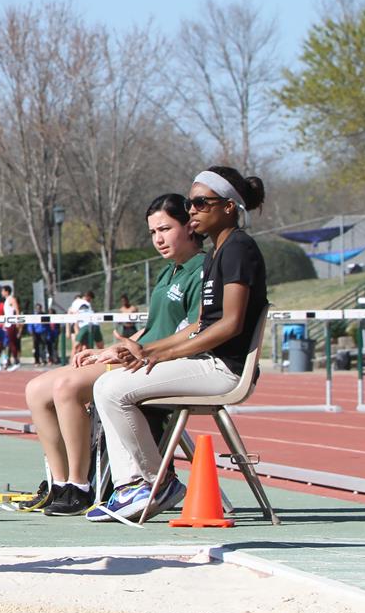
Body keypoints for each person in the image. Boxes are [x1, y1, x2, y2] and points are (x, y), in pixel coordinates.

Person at [90, 167, 269, 522]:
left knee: (111, 388)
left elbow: (230, 325)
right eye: (190, 203)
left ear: (230, 207)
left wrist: (164, 354)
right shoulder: (220, 251)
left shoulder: (238, 249)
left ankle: (154, 482)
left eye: (201, 203)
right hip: (206, 362)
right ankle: (135, 486)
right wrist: (149, 351)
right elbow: (202, 324)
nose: (192, 210)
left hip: (224, 369)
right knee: (109, 383)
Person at [20, 195, 204, 516]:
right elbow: (151, 328)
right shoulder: (168, 272)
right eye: (152, 233)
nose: (158, 239)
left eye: (165, 229)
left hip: (159, 362)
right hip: (140, 354)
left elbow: (191, 331)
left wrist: (135, 352)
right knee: (36, 389)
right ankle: (59, 483)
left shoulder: (201, 270)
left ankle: (81, 485)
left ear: (189, 226)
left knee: (66, 387)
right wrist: (106, 350)